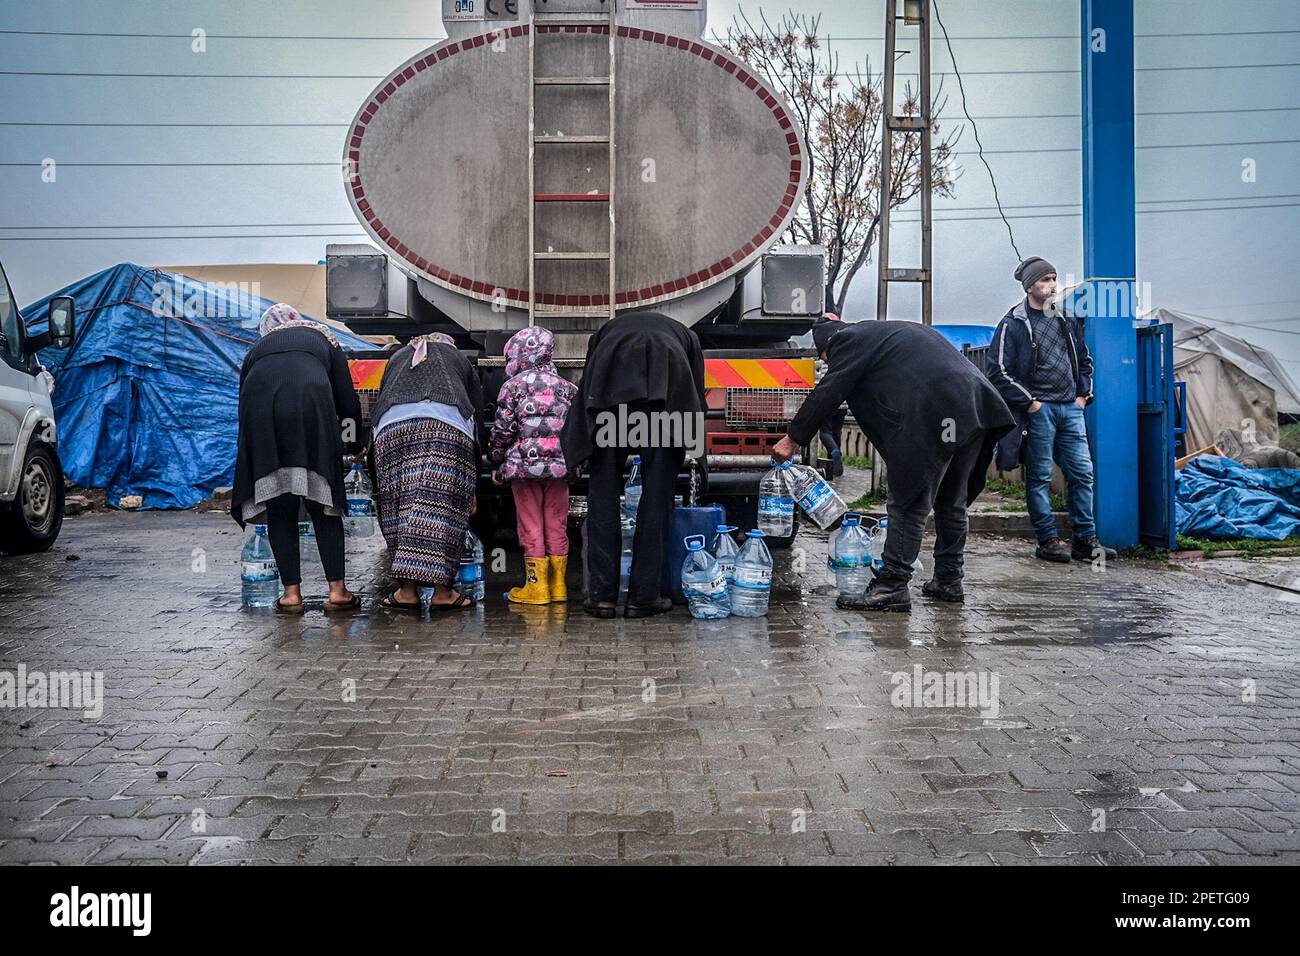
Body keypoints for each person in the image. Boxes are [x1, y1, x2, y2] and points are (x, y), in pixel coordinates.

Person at [773, 319, 1014, 612]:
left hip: (937, 414)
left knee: (907, 502)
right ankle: (949, 579)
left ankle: (892, 586)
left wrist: (793, 438)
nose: (829, 363)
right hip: (973, 407)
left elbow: (829, 391)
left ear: (827, 347)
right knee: (951, 501)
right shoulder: (883, 334)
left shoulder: (847, 341)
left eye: (825, 359)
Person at [561, 311, 706, 620]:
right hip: (665, 410)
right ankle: (644, 597)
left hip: (609, 406)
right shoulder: (686, 335)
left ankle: (601, 598)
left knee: (602, 495)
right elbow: (694, 391)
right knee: (657, 497)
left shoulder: (605, 333)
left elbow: (590, 380)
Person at [232, 303, 362, 614]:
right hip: (310, 410)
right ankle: (337, 592)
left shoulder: (257, 349)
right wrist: (356, 444)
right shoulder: (324, 339)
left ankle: (291, 596)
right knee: (322, 504)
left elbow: (243, 404)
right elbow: (346, 399)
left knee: (279, 503)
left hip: (262, 419)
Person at [985, 257, 1117, 564]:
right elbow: (998, 372)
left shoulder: (1065, 320)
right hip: (1039, 411)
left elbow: (1085, 361)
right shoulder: (1013, 324)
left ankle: (1085, 540)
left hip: (1071, 408)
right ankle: (1048, 540)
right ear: (1030, 286)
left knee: (1083, 474)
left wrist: (1083, 396)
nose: (1052, 285)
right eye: (1045, 279)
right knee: (1040, 477)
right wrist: (1031, 403)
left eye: (1054, 278)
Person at [369, 332, 483, 612]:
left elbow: (381, 400)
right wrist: (473, 483)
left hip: (391, 430)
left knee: (398, 506)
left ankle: (406, 592)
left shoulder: (396, 358)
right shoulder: (458, 359)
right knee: (444, 506)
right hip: (447, 428)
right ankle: (443, 593)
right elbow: (476, 412)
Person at [488, 327, 578, 605]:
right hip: (559, 469)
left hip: (523, 469)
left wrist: (496, 458)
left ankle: (536, 588)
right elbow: (576, 431)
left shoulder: (512, 387)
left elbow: (504, 428)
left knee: (530, 523)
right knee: (557, 522)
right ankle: (559, 586)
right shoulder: (567, 388)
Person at [813, 313, 848, 477]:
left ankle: (833, 451)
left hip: (827, 401)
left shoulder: (819, 362)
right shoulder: (844, 358)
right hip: (842, 402)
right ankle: (835, 464)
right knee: (837, 432)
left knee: (825, 431)